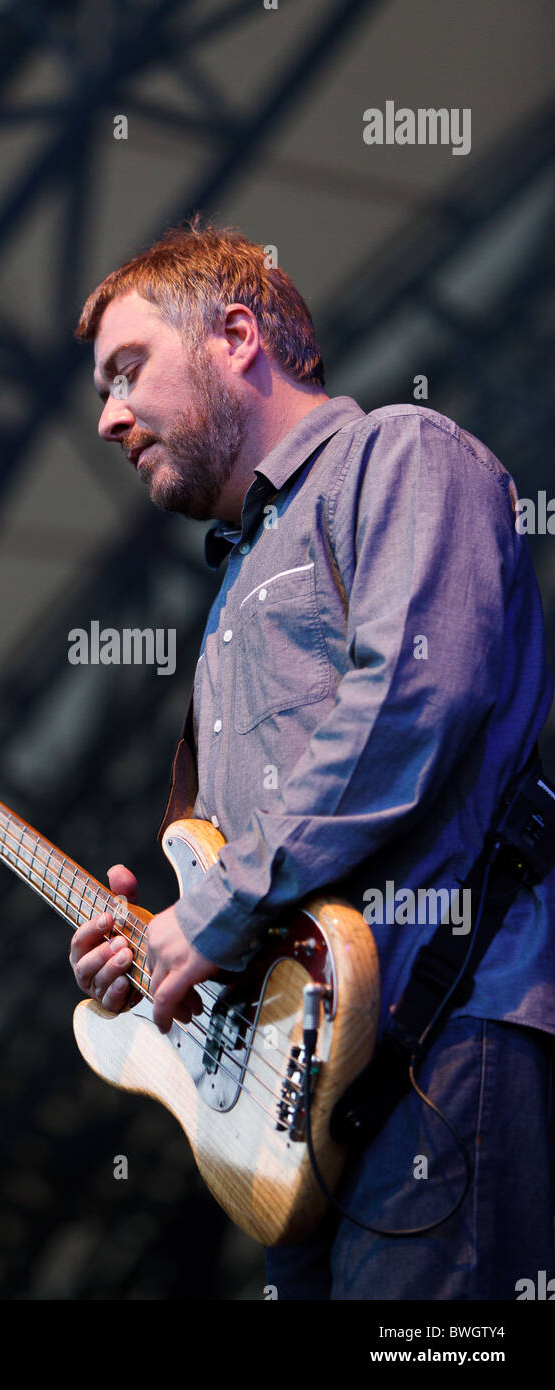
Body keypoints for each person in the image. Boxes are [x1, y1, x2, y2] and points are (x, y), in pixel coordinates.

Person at [68, 218, 555, 1299]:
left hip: (440, 1039)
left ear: (237, 336)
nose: (107, 417)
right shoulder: (232, 594)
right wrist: (150, 955)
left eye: (128, 370)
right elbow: (258, 881)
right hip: (303, 1121)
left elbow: (413, 705)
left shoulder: (401, 453)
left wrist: (216, 906)